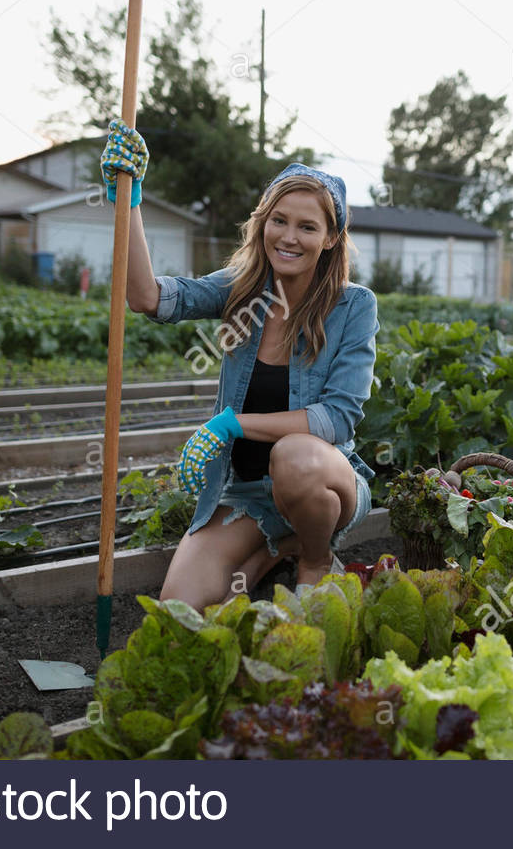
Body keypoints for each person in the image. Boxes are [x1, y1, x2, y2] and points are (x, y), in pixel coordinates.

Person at [100, 120, 379, 612]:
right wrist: (130, 201)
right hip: (247, 492)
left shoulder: (353, 307)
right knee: (179, 607)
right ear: (263, 222)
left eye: (307, 226)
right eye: (279, 220)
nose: (288, 237)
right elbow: (147, 297)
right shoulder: (241, 289)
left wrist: (231, 423)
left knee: (294, 455)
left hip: (323, 481)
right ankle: (278, 549)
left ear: (331, 238)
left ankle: (314, 559)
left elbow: (336, 420)